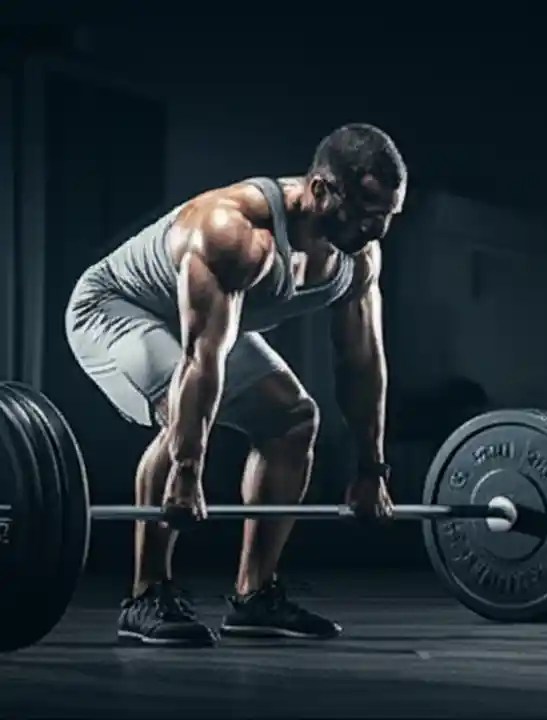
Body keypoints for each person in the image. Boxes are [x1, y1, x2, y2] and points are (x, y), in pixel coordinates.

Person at [64, 123, 406, 646]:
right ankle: (146, 594)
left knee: (293, 420)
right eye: (363, 213)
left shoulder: (358, 256)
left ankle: (254, 596)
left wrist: (371, 469)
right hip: (117, 311)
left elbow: (362, 362)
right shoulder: (233, 230)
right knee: (179, 414)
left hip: (204, 328)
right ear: (319, 189)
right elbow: (202, 356)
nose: (375, 229)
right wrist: (185, 469)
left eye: (386, 216)